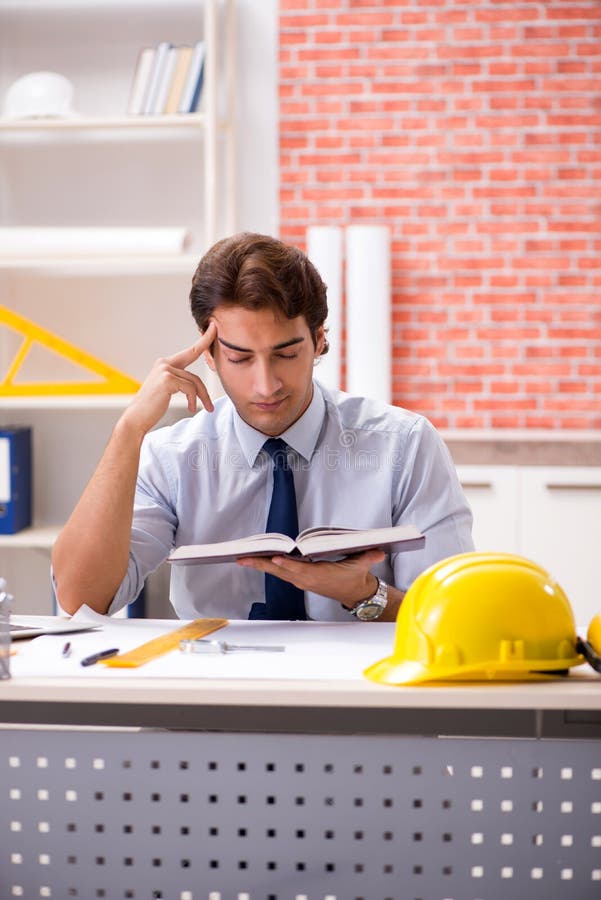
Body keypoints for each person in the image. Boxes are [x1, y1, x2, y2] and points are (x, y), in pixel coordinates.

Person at [52, 232, 474, 623]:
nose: (266, 384)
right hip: (218, 689)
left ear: (319, 340)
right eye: (239, 359)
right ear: (209, 354)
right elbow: (81, 600)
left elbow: (451, 621)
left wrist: (365, 592)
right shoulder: (171, 456)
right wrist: (129, 430)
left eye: (286, 354)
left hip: (362, 690)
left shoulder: (405, 445)